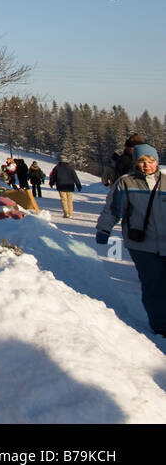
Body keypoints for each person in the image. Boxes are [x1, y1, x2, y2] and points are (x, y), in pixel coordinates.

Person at [97, 144, 165, 336]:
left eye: (150, 161)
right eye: (142, 161)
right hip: (142, 244)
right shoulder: (126, 182)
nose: (147, 166)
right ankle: (161, 326)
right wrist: (104, 229)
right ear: (136, 162)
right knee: (154, 285)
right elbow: (113, 209)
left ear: (156, 161)